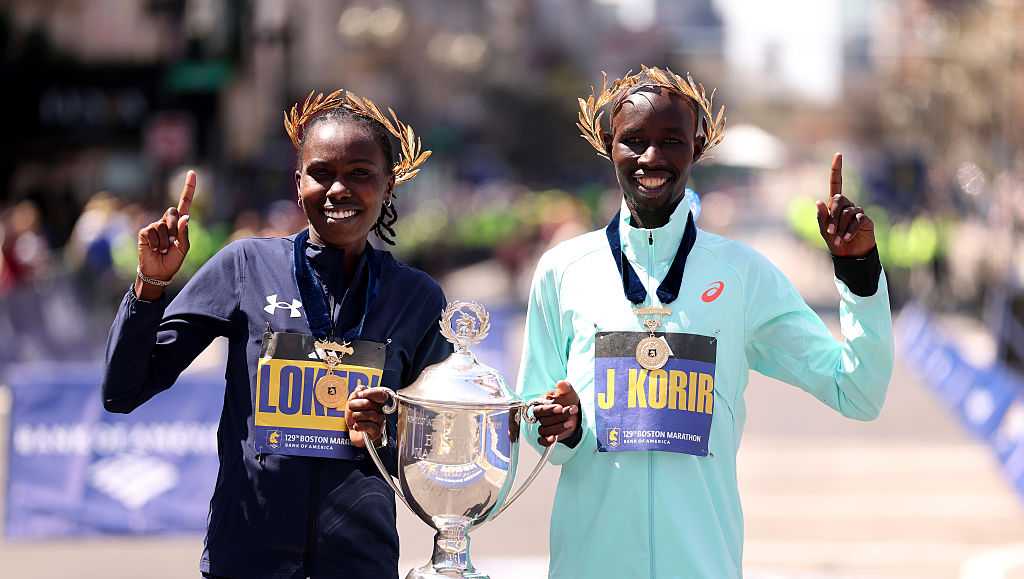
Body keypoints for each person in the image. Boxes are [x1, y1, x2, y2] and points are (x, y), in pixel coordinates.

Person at [517, 66, 893, 578]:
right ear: (608, 144)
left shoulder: (742, 274)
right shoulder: (563, 271)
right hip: (590, 563)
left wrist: (859, 272)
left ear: (697, 145)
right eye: (634, 141)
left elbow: (858, 391)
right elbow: (535, 433)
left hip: (702, 564)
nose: (651, 158)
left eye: (670, 141)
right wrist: (567, 425)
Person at [102, 89, 451, 579]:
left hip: (359, 561)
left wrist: (389, 428)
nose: (338, 190)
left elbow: (439, 449)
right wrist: (150, 286)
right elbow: (123, 391)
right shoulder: (245, 265)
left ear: (388, 184)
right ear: (298, 181)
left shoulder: (416, 298)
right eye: (321, 173)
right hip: (247, 557)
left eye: (360, 174)